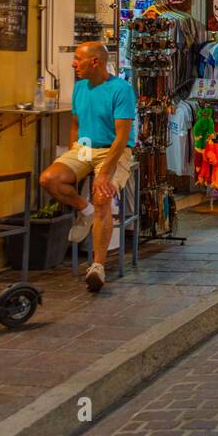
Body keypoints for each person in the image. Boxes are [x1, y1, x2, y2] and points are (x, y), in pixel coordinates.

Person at [39, 41, 136, 293]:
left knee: (102, 196)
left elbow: (122, 137)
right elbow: (75, 121)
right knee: (49, 179)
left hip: (113, 150)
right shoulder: (80, 87)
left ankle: (98, 266)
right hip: (85, 147)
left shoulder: (121, 89)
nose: (73, 64)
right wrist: (75, 148)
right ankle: (86, 210)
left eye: (77, 59)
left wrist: (103, 173)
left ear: (96, 62)